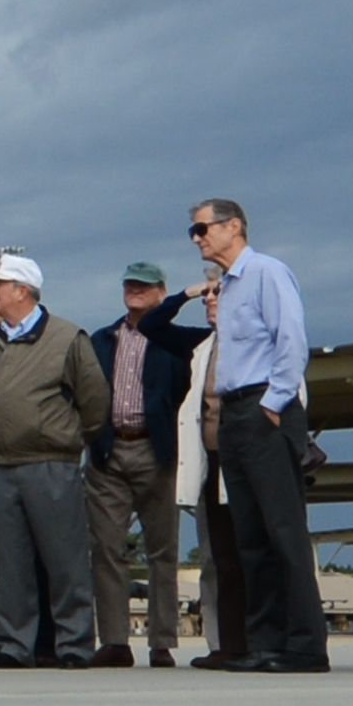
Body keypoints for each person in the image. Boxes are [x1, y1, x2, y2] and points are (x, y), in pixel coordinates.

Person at [183, 200, 326, 672]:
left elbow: (291, 339)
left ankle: (304, 646)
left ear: (234, 226)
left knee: (283, 530)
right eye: (194, 230)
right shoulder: (225, 287)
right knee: (250, 536)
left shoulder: (267, 272)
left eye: (203, 228)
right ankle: (264, 644)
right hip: (234, 413)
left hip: (265, 406)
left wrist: (274, 402)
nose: (198, 237)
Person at [0, 254, 112, 666]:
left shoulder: (66, 337)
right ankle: (12, 646)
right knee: (11, 562)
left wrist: (71, 439)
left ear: (22, 291)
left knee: (64, 559)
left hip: (50, 460)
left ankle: (75, 644)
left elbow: (95, 400)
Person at [86, 264, 205, 667]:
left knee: (163, 551)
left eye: (146, 285)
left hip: (157, 452)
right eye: (130, 284)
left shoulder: (173, 341)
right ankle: (115, 640)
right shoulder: (102, 340)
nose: (136, 291)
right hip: (109, 452)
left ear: (162, 291)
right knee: (106, 550)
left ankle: (162, 641)